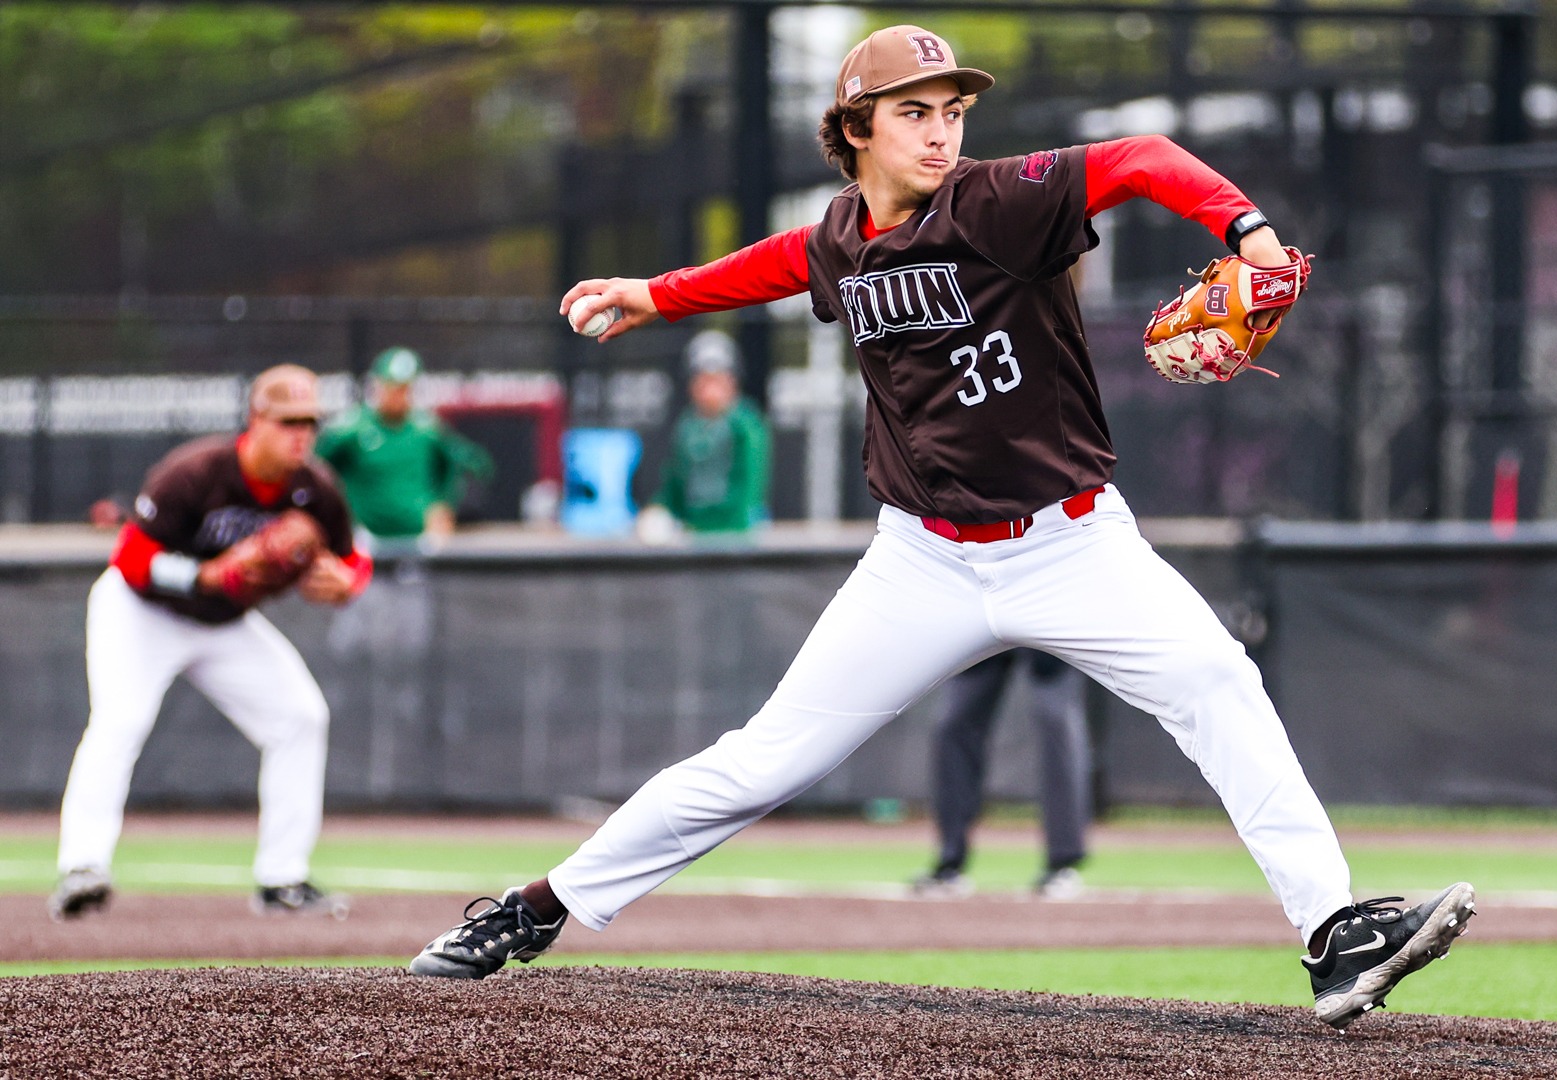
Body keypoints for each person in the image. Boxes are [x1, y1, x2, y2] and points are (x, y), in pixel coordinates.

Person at [407, 25, 1474, 1029]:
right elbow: (780, 262)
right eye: (911, 110)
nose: (941, 128)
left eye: (952, 107)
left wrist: (1246, 230)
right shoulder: (840, 235)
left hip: (1072, 544)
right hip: (919, 561)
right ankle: (536, 906)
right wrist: (658, 292)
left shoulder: (1003, 202)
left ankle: (1333, 931)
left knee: (1216, 683)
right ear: (854, 131)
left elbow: (1143, 155)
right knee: (764, 762)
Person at [49, 365, 370, 921]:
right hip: (140, 613)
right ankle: (83, 866)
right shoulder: (197, 471)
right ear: (256, 420)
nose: (301, 434)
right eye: (288, 421)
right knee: (119, 723)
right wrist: (204, 577)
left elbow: (351, 558)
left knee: (300, 716)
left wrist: (348, 583)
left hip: (221, 625)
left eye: (310, 423)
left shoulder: (313, 489)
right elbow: (129, 557)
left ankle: (282, 879)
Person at [912, 649, 1092, 901]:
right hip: (986, 620)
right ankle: (949, 863)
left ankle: (1062, 865)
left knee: (1057, 720)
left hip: (1044, 620)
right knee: (952, 723)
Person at [315, 346, 493, 541]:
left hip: (418, 537)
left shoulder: (426, 429)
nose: (399, 396)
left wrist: (443, 505)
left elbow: (464, 464)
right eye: (392, 387)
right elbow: (317, 468)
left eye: (405, 388)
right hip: (366, 537)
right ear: (377, 385)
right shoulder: (351, 429)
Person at [642, 330, 771, 537]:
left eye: (716, 379)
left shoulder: (745, 424)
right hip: (693, 534)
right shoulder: (688, 425)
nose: (709, 389)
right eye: (703, 379)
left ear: (732, 381)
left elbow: (749, 488)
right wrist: (659, 509)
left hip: (735, 534)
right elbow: (674, 484)